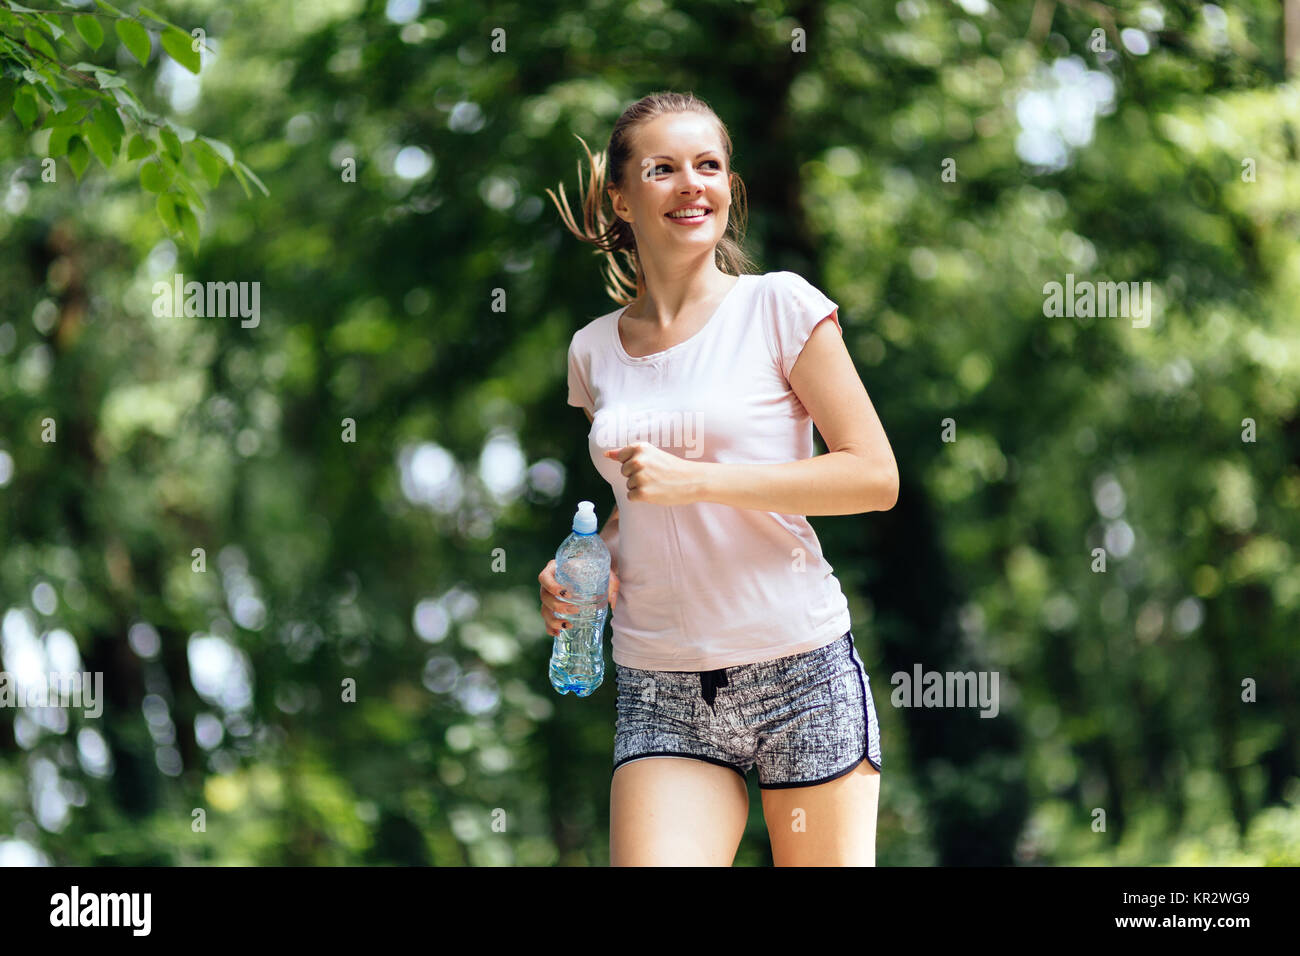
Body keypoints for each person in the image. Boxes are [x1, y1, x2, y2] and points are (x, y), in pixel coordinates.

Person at [540, 91, 899, 866]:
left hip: (798, 668)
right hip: (660, 685)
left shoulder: (779, 307)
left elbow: (873, 476)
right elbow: (638, 498)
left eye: (708, 166)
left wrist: (699, 480)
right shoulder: (593, 351)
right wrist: (587, 563)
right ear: (621, 197)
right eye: (662, 168)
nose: (690, 184)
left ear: (730, 189)